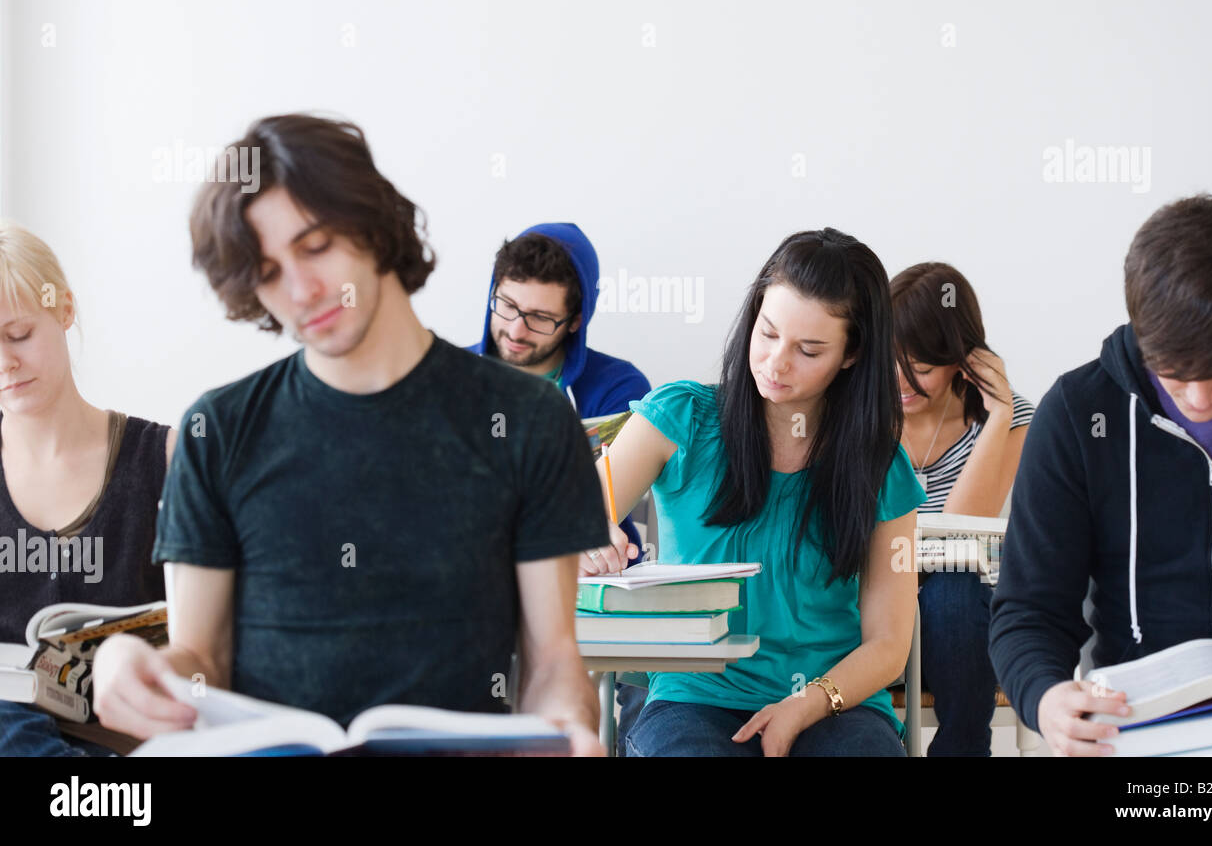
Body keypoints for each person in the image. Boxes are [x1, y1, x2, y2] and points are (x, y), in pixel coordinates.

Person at [92, 115, 608, 754]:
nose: (302, 291)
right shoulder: (217, 431)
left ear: (372, 224)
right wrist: (135, 666)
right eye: (269, 272)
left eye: (314, 246)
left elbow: (553, 660)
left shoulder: (529, 419)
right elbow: (203, 661)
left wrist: (571, 726)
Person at [582, 228, 924, 756]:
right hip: (694, 698)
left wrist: (804, 705)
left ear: (852, 355)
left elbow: (888, 645)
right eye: (767, 334)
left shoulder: (881, 467)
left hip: (834, 704)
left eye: (809, 350)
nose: (776, 363)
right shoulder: (681, 418)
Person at [990, 195, 1212, 756]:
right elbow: (1029, 610)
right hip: (1140, 731)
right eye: (1176, 376)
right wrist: (1045, 699)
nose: (1200, 398)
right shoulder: (1077, 415)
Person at [468, 223, 652, 754]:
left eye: (540, 317)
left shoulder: (618, 387)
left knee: (653, 677)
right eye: (506, 306)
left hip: (598, 579)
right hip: (480, 577)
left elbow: (619, 500)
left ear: (575, 322)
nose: (517, 329)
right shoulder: (448, 375)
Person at [0, 222, 175, 757]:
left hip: (129, 739)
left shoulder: (166, 458)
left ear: (65, 310)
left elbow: (215, 641)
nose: (5, 363)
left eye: (18, 334)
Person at [891, 262, 1034, 756]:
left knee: (953, 585)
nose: (901, 383)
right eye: (890, 362)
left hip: (961, 631)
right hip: (880, 616)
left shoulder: (1013, 421)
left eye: (921, 369)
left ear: (964, 360)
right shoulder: (862, 417)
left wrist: (998, 414)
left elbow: (963, 531)